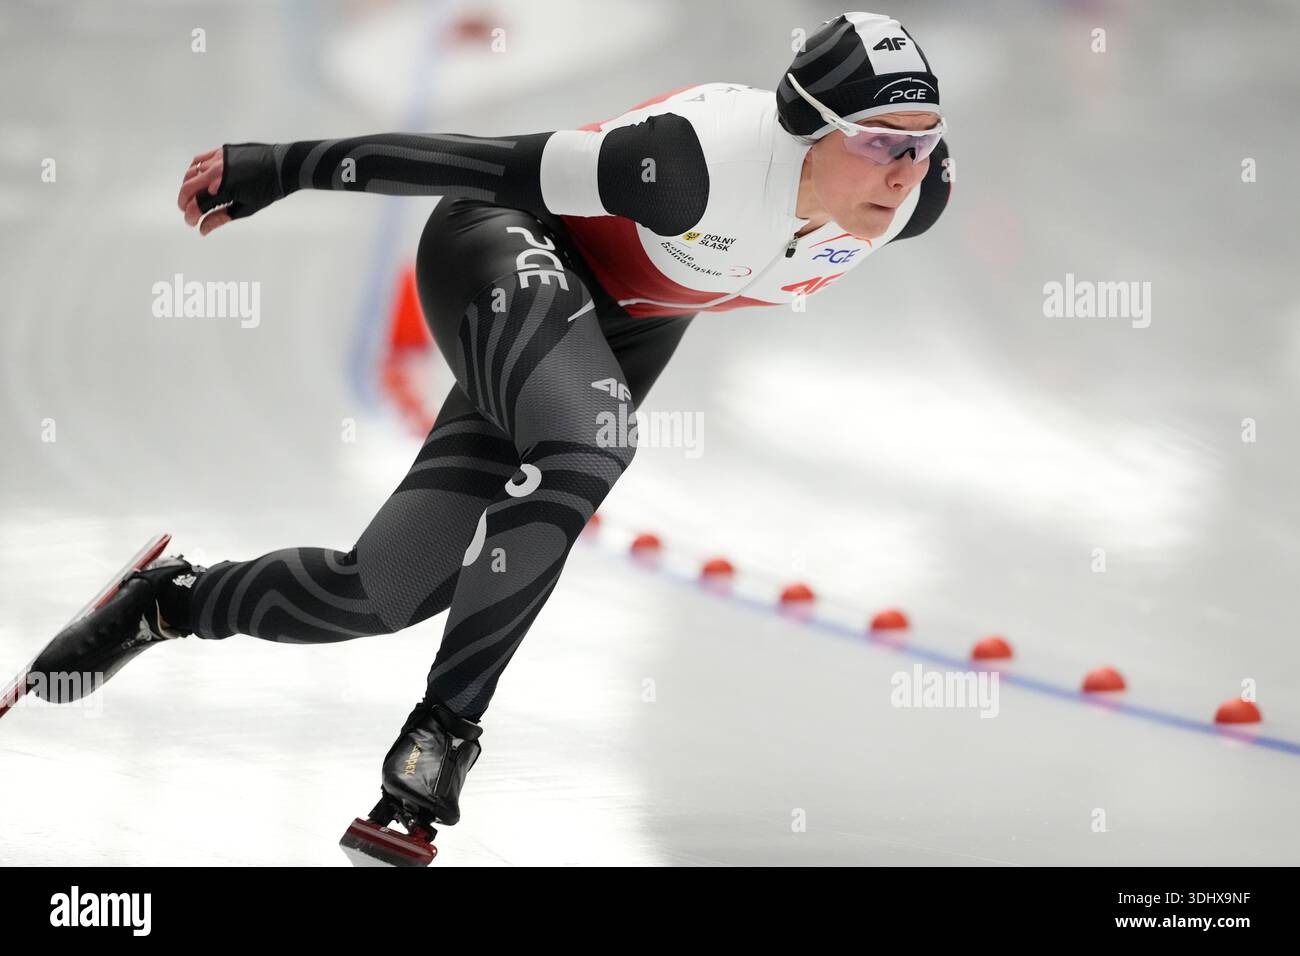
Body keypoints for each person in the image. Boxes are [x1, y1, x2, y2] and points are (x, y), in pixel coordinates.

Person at [29, 12, 951, 833]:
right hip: (505, 241)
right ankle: (445, 731)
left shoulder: (916, 196)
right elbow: (471, 159)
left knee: (381, 591)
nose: (904, 171)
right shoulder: (686, 165)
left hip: (616, 327)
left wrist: (898, 158)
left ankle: (167, 602)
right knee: (594, 442)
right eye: (877, 143)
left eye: (921, 144)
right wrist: (283, 166)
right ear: (803, 128)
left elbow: (901, 174)